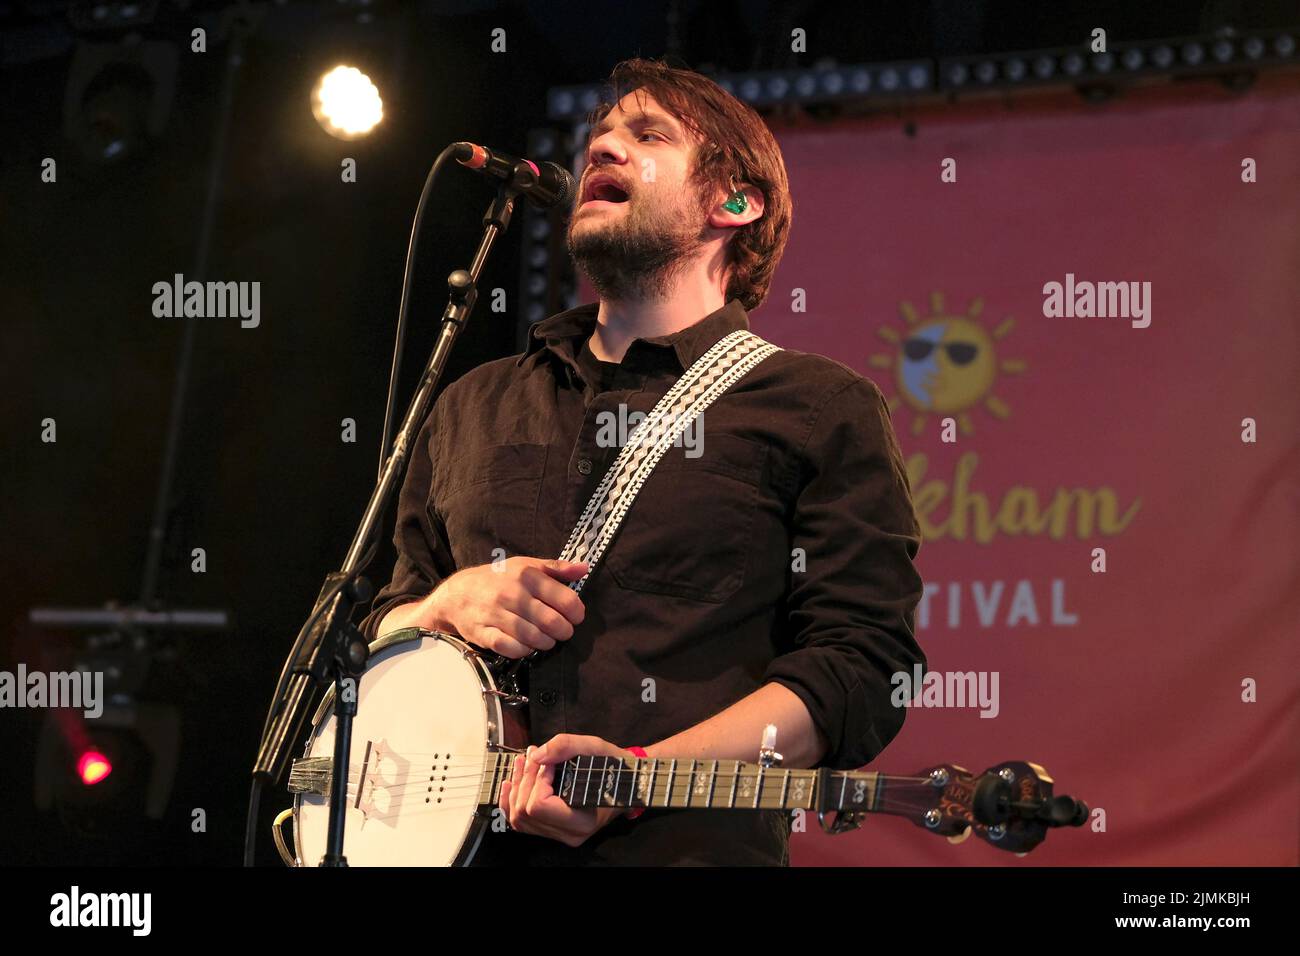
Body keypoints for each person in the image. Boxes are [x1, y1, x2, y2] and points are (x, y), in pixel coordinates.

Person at [359, 57, 926, 865]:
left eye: (647, 134)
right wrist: (446, 603)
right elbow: (374, 628)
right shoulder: (472, 403)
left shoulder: (817, 407)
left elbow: (864, 671)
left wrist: (635, 778)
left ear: (734, 202)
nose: (603, 149)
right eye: (599, 135)